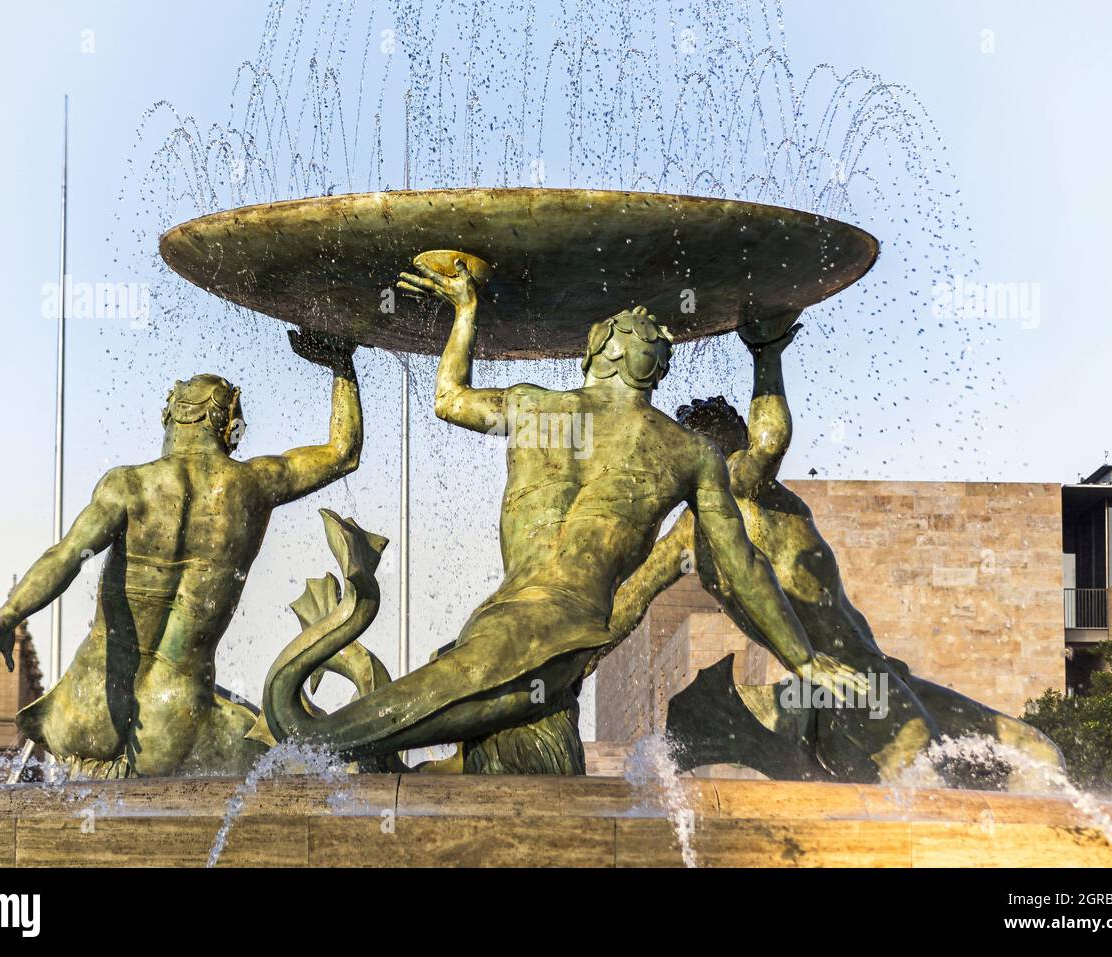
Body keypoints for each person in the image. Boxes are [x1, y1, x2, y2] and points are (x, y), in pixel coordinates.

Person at [277, 259, 863, 766]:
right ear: (606, 347)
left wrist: (466, 311)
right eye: (646, 330)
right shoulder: (624, 432)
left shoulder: (622, 433)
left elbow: (741, 567)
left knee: (327, 735)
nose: (661, 335)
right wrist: (465, 309)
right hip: (521, 631)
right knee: (326, 735)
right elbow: (450, 401)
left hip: (543, 633)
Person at [604, 311, 1063, 782]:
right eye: (726, 435)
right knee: (926, 791)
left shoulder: (689, 534)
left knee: (1035, 754)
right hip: (850, 686)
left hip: (873, 676)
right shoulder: (737, 486)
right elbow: (772, 440)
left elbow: (626, 603)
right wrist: (766, 356)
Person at [0, 332, 362, 777]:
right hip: (176, 723)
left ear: (170, 417)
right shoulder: (254, 484)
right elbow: (342, 453)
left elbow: (65, 556)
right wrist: (341, 365)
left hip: (89, 705)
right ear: (229, 420)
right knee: (310, 771)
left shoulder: (128, 485)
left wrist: (8, 616)